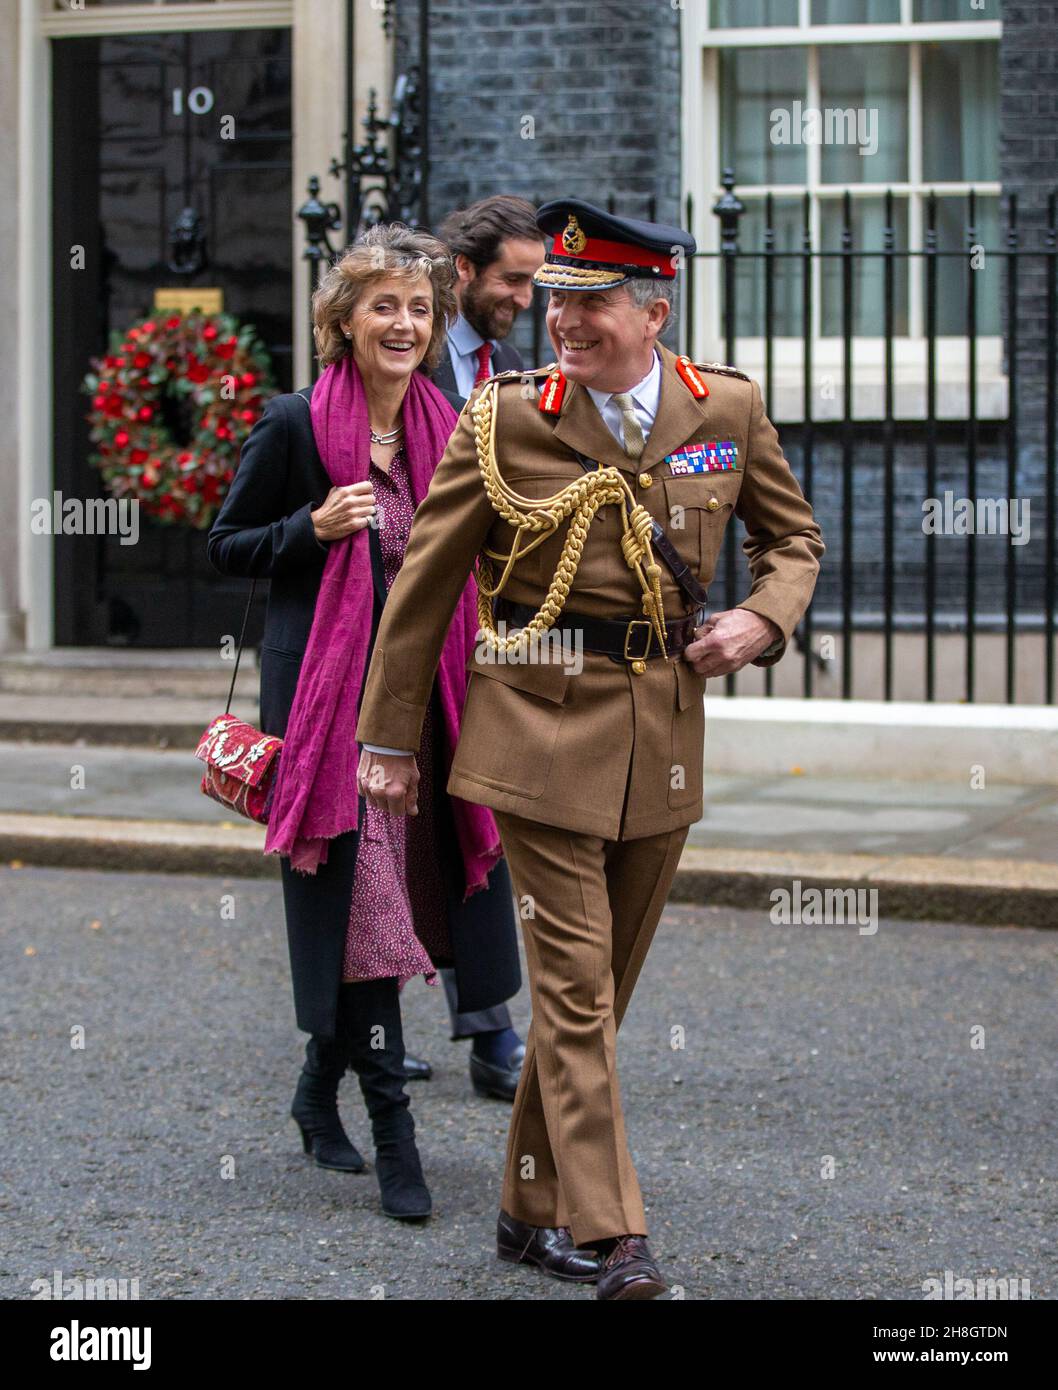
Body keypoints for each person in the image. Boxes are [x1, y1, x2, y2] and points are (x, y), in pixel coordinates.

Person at [352, 198, 825, 1297]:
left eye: (591, 304)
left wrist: (764, 616)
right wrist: (387, 736)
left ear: (652, 310)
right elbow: (424, 580)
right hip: (534, 729)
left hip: (660, 734)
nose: (562, 324)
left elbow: (790, 537)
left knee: (596, 999)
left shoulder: (728, 409)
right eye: (553, 302)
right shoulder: (502, 417)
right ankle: (615, 1234)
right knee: (571, 995)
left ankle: (524, 1210)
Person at [206, 223, 521, 1223]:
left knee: (393, 907)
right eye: (381, 303)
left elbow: (487, 548)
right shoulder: (296, 424)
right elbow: (225, 545)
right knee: (368, 915)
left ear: (434, 328)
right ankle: (396, 1135)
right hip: (328, 714)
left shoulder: (455, 426)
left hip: (429, 712)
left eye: (417, 307)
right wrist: (310, 528)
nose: (402, 321)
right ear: (342, 319)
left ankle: (314, 1093)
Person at [397, 196, 544, 1102]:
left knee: (477, 821)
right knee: (388, 834)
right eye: (514, 281)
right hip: (407, 628)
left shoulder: (514, 369)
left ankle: (490, 1029)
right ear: (464, 272)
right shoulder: (406, 355)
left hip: (486, 634)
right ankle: (370, 1029)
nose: (528, 299)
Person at [432, 195, 545, 405]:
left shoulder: (512, 363)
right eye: (513, 279)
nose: (526, 300)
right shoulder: (416, 354)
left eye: (532, 283)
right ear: (465, 267)